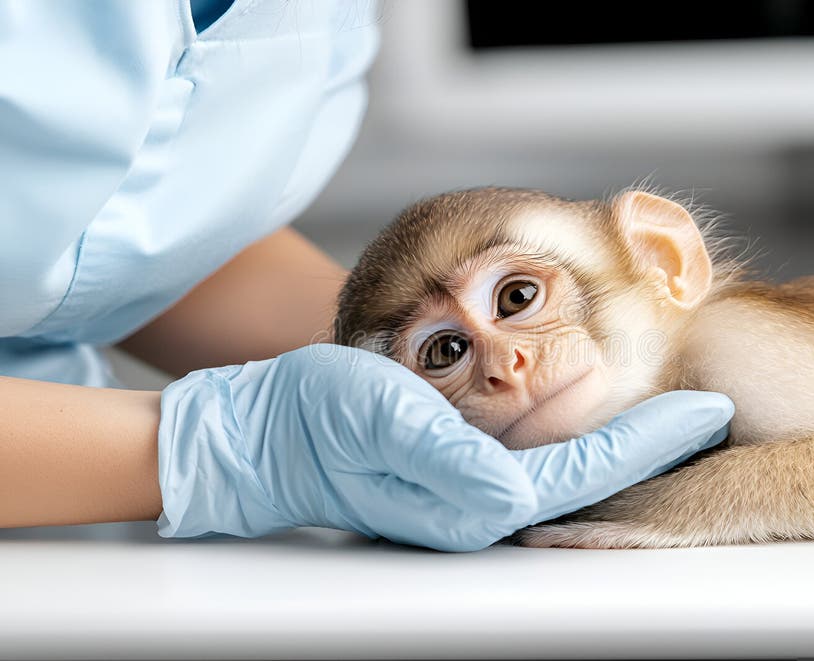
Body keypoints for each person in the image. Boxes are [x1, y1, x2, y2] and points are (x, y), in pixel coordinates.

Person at [0, 1, 733, 551]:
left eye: (516, 298)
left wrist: (397, 375)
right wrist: (227, 446)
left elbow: (117, 229)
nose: (505, 363)